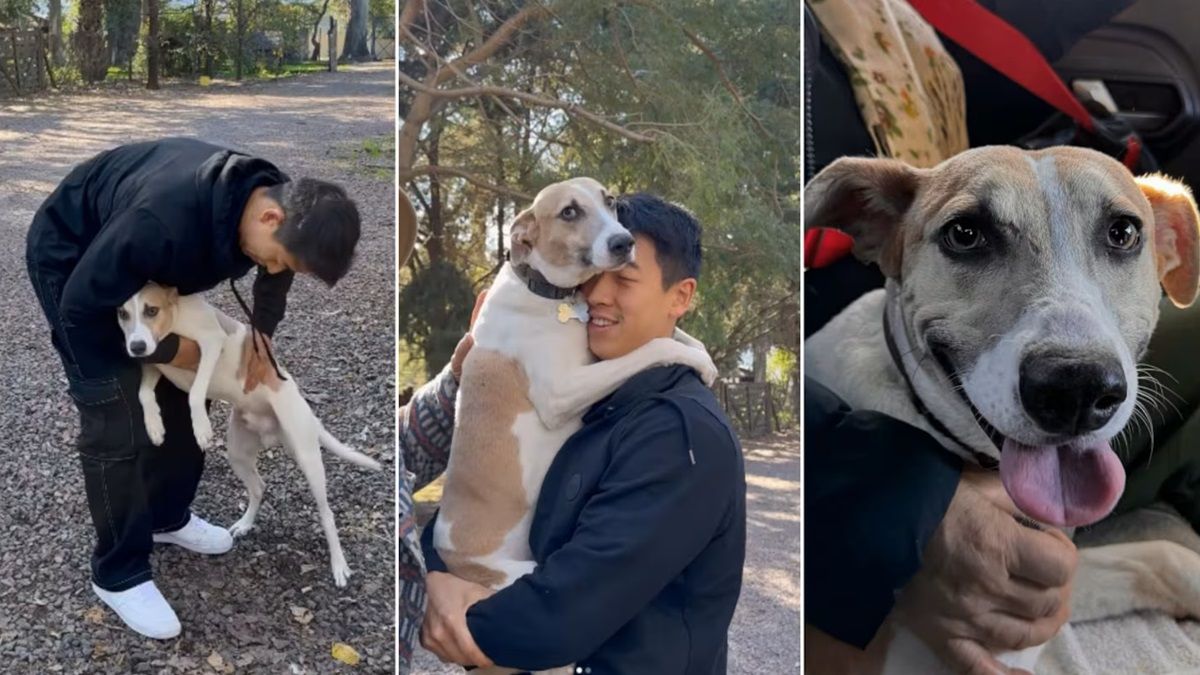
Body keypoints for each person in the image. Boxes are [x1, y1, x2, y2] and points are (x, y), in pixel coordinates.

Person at [803, 1, 1200, 673]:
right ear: (878, 227)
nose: (1072, 350)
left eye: (1121, 234)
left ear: (1170, 243)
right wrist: (896, 517)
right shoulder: (830, 386)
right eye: (967, 234)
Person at [25, 137, 361, 640]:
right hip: (75, 260)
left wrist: (262, 333)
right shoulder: (161, 222)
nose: (272, 271)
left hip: (140, 260)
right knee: (113, 407)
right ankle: (118, 573)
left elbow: (275, 275)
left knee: (184, 397)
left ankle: (165, 516)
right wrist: (171, 352)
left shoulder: (269, 199)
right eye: (279, 260)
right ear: (270, 219)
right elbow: (82, 308)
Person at [399, 193, 746, 673]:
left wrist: (453, 610)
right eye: (592, 276)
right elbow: (466, 491)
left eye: (624, 280)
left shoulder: (679, 435)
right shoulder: (602, 396)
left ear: (681, 297)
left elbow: (562, 613)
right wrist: (434, 574)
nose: (597, 296)